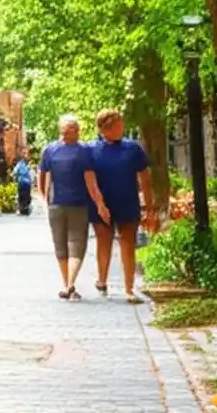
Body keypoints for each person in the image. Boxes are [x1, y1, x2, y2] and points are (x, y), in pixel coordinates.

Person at [87, 109, 156, 303]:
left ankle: (129, 287)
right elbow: (89, 179)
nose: (120, 127)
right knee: (104, 241)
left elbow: (144, 178)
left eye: (120, 124)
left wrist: (149, 207)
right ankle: (102, 280)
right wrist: (99, 203)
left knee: (128, 242)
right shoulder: (92, 150)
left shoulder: (133, 149)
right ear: (103, 129)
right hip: (102, 204)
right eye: (115, 125)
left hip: (127, 202)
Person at [39, 115, 101, 301]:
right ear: (76, 131)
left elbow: (42, 174)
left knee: (61, 246)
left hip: (57, 205)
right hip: (77, 204)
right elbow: (91, 182)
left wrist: (44, 196)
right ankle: (69, 284)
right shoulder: (83, 152)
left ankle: (67, 284)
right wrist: (99, 203)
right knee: (76, 245)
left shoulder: (50, 150)